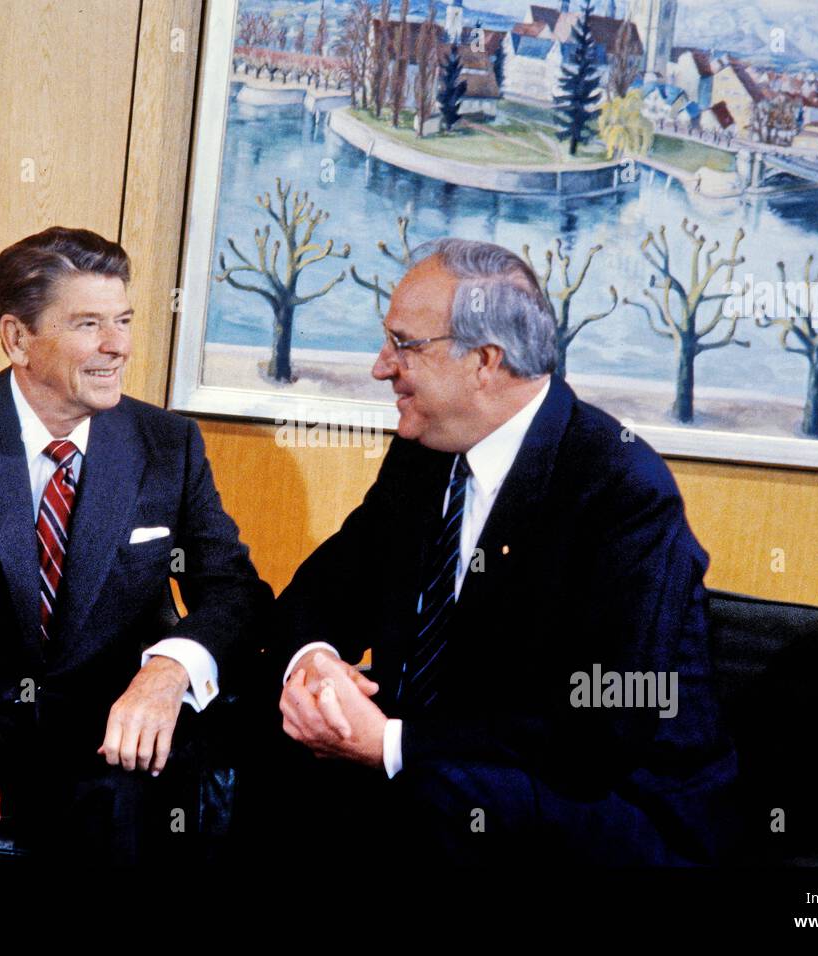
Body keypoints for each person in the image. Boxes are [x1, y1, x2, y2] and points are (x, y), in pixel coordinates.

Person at [255, 238, 740, 865]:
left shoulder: (621, 488)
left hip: (620, 803)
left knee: (433, 793)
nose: (381, 366)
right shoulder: (423, 453)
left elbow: (603, 725)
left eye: (405, 344)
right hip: (460, 770)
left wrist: (393, 742)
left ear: (485, 361)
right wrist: (315, 666)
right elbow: (322, 592)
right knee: (271, 736)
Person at [0, 226, 271, 865]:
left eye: (122, 320)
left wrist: (169, 670)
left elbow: (234, 590)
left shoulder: (167, 445)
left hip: (107, 729)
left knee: (142, 793)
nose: (117, 346)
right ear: (17, 338)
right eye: (89, 324)